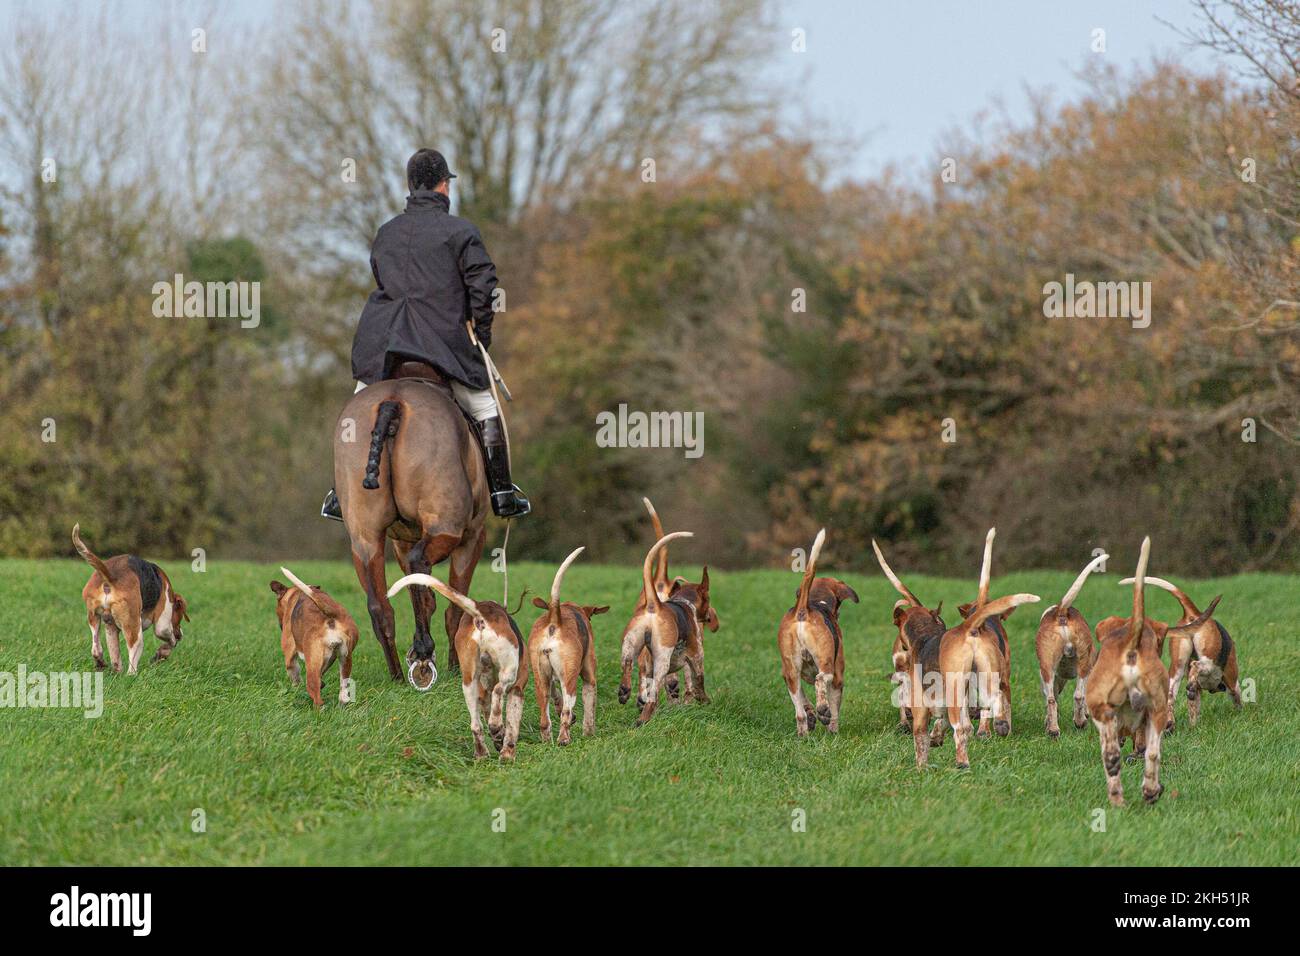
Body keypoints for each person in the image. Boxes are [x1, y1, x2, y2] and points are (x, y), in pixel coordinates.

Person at [321, 148, 530, 520]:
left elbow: (382, 279)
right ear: (444, 186)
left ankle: (339, 495)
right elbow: (484, 287)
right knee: (484, 407)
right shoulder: (462, 232)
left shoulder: (386, 233)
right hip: (442, 345)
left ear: (410, 186)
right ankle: (502, 493)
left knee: (354, 413)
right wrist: (479, 334)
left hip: (384, 348)